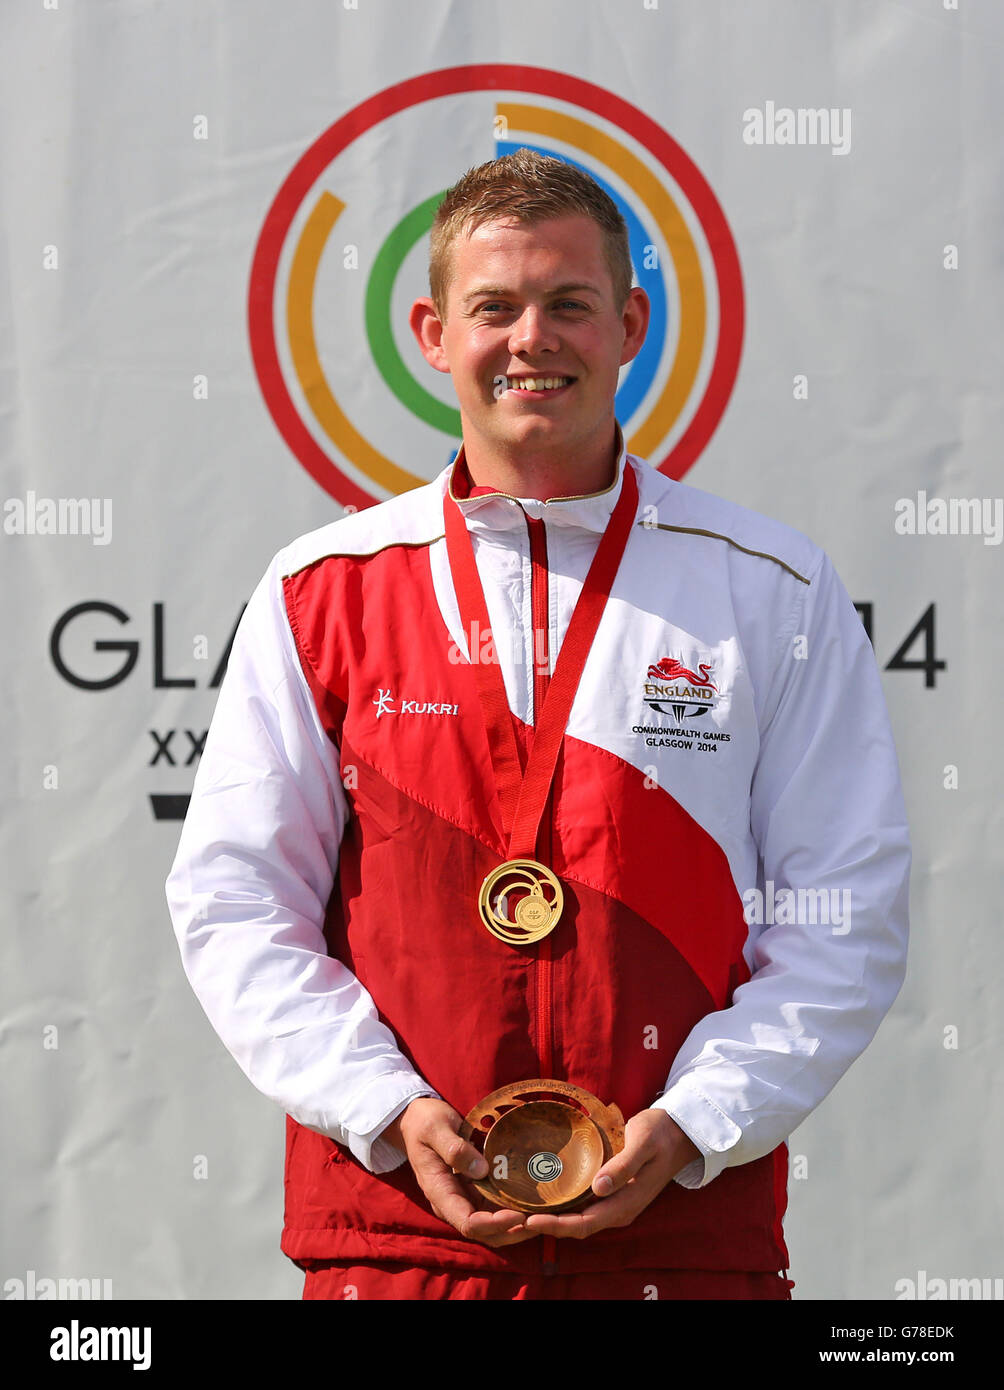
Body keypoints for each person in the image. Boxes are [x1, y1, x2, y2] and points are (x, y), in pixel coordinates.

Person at [166, 149, 910, 1301]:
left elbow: (840, 913)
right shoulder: (325, 588)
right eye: (493, 307)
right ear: (429, 332)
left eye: (567, 304)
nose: (531, 339)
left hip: (678, 1241)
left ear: (629, 322)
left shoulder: (769, 588)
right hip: (399, 1245)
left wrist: (694, 1121)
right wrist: (382, 1107)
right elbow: (233, 899)